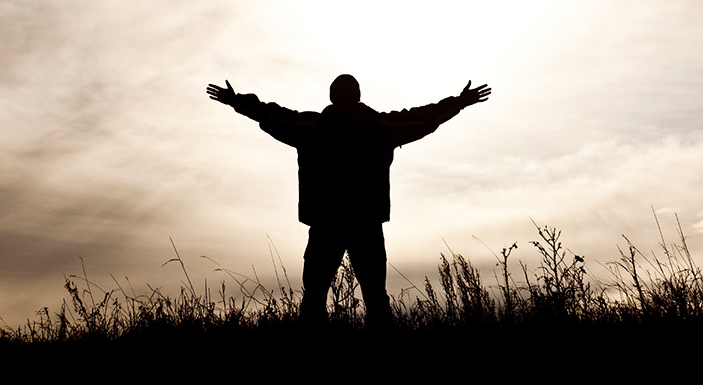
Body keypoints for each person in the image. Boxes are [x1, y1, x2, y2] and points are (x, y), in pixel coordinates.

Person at [206, 74, 490, 325]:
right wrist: (459, 102)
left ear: (331, 98)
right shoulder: (379, 126)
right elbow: (423, 117)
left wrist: (236, 101)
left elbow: (271, 114)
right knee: (375, 297)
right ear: (358, 97)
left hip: (325, 222)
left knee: (315, 296)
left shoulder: (311, 127)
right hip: (365, 221)